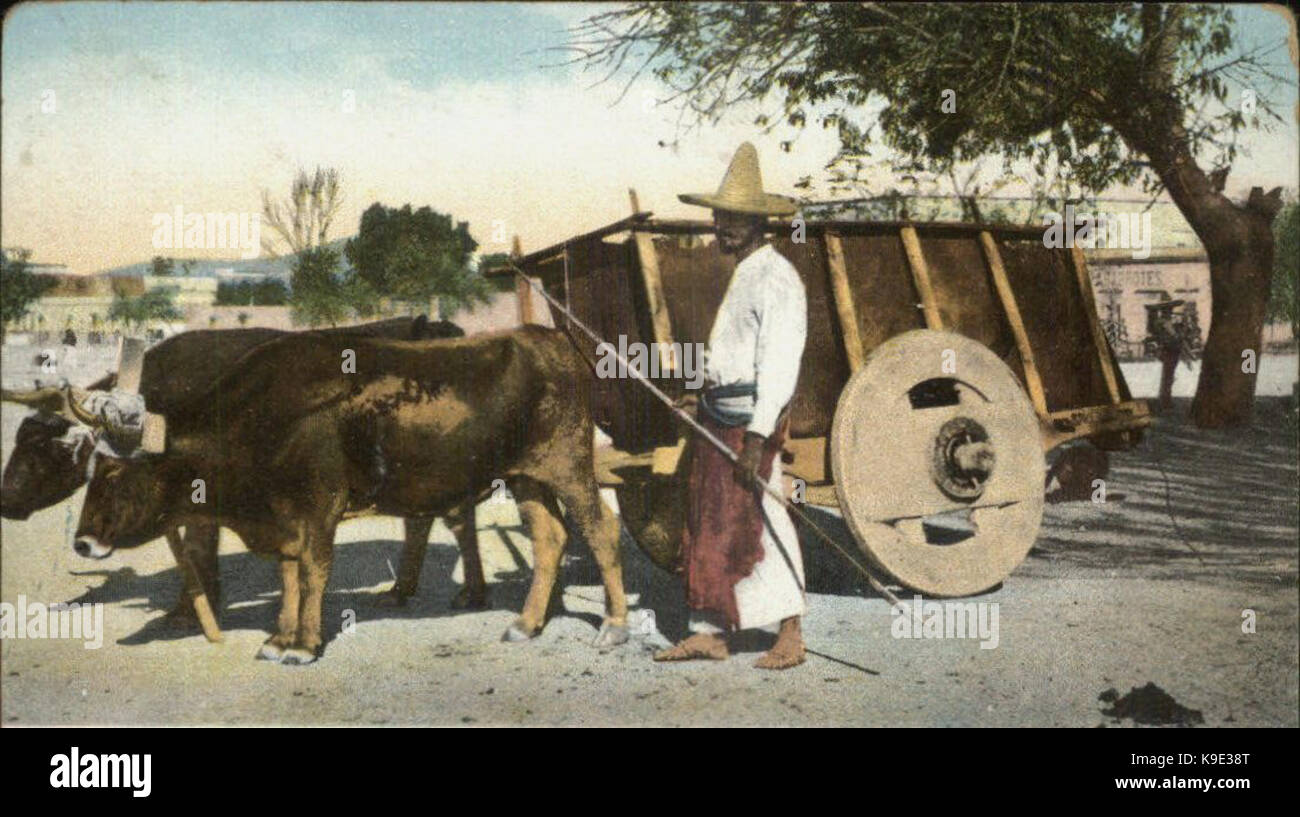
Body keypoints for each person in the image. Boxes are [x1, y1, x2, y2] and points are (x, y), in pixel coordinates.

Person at [653, 142, 808, 670]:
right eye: (720, 217)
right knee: (711, 521)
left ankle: (790, 631)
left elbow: (780, 366)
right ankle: (711, 632)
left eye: (737, 219)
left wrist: (758, 438)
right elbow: (731, 357)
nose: (724, 227)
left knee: (764, 516)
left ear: (761, 223)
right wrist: (699, 395)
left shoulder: (777, 278)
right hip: (718, 418)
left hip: (750, 425)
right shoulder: (742, 273)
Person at [1144, 291, 1195, 413]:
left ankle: (1166, 400)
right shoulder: (1162, 322)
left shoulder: (1168, 322)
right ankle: (1165, 401)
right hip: (1167, 350)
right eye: (1167, 309)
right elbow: (1172, 336)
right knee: (1168, 376)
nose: (1170, 311)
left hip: (1173, 350)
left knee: (1169, 376)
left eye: (1170, 308)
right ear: (1163, 310)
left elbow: (1178, 337)